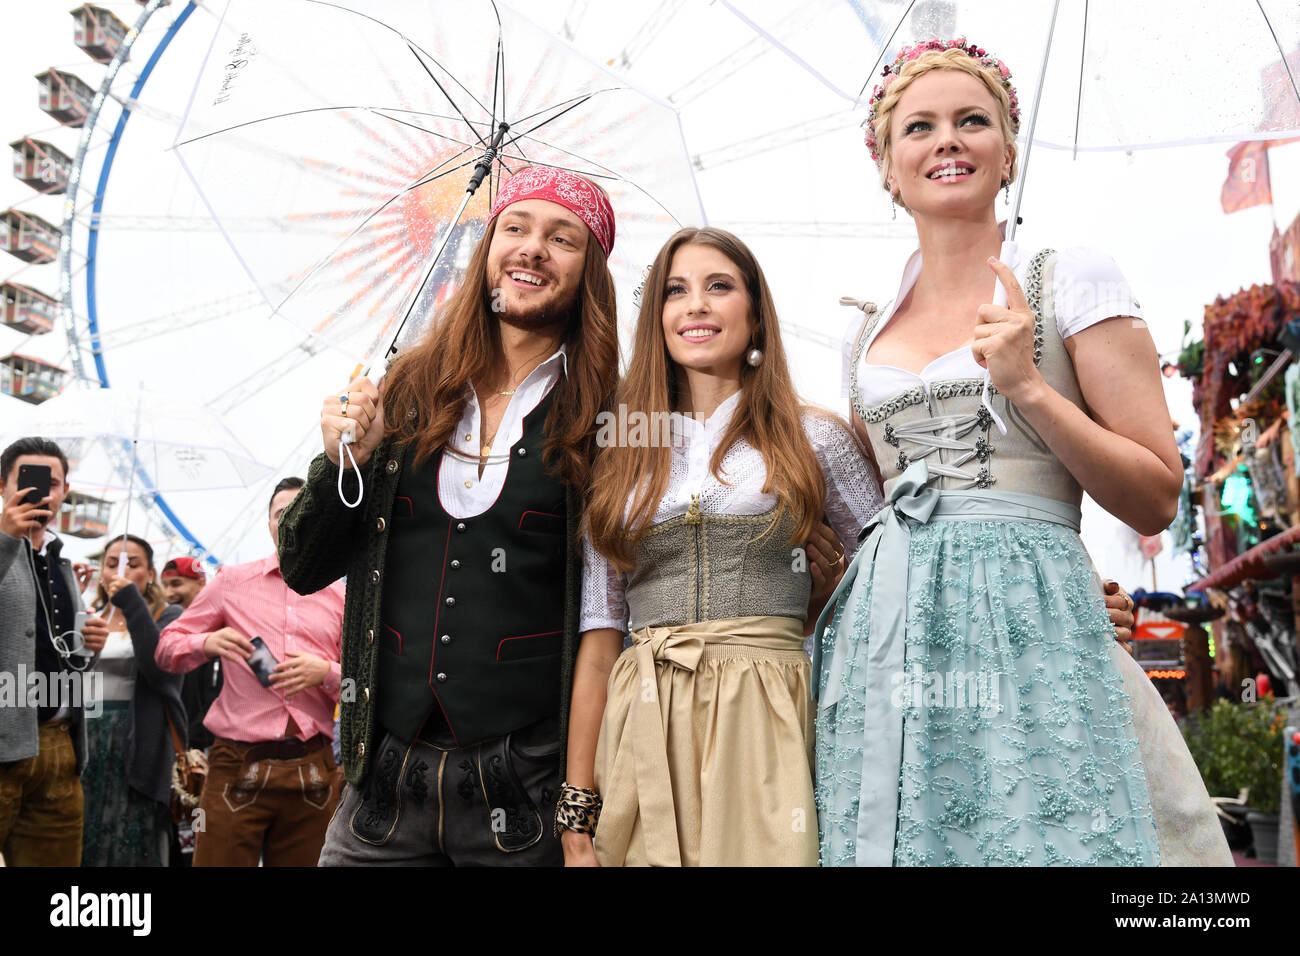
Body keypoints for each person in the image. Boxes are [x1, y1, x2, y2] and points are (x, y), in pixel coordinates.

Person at [816, 38, 1231, 866]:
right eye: (919, 127)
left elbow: (1155, 497)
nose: (948, 141)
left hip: (1036, 618)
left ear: (1008, 153)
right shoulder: (864, 334)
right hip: (889, 632)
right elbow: (860, 520)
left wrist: (1029, 387)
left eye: (973, 121)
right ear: (887, 168)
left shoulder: (1067, 277)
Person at [278, 165, 623, 866]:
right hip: (381, 788)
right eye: (515, 229)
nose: (531, 249)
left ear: (590, 274)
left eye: (563, 239)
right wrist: (342, 460)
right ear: (487, 249)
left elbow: (610, 614)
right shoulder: (408, 388)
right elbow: (304, 566)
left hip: (521, 791)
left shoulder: (608, 418)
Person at [567, 227, 881, 866]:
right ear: (657, 316)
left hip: (768, 714)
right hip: (642, 719)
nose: (696, 306)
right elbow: (600, 639)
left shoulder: (814, 436)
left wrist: (822, 597)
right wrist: (577, 818)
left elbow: (889, 579)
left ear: (756, 313)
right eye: (676, 291)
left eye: (719, 287)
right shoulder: (620, 451)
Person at [155, 477, 344, 866]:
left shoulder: (342, 596)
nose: (291, 520)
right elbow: (166, 649)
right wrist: (205, 643)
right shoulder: (231, 582)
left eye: (301, 511)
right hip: (234, 766)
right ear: (269, 525)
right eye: (281, 513)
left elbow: (365, 686)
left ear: (318, 520)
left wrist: (325, 671)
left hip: (314, 769)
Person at [0, 437, 108, 866]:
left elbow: (64, 656)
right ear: (3, 485)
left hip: (59, 747)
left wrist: (90, 648)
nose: (43, 490)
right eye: (28, 478)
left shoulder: (63, 563)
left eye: (55, 481)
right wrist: (7, 536)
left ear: (65, 491)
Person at [81, 534, 185, 866]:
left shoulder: (168, 616)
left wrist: (132, 603)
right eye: (111, 564)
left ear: (151, 573)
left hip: (136, 741)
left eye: (132, 564)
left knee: (130, 833)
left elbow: (160, 669)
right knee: (84, 830)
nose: (119, 571)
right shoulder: (89, 612)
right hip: (86, 738)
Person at [160, 557, 220, 751]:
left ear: (201, 582)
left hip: (209, 743)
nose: (169, 593)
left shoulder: (221, 624)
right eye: (165, 585)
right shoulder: (168, 629)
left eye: (176, 584)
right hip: (175, 737)